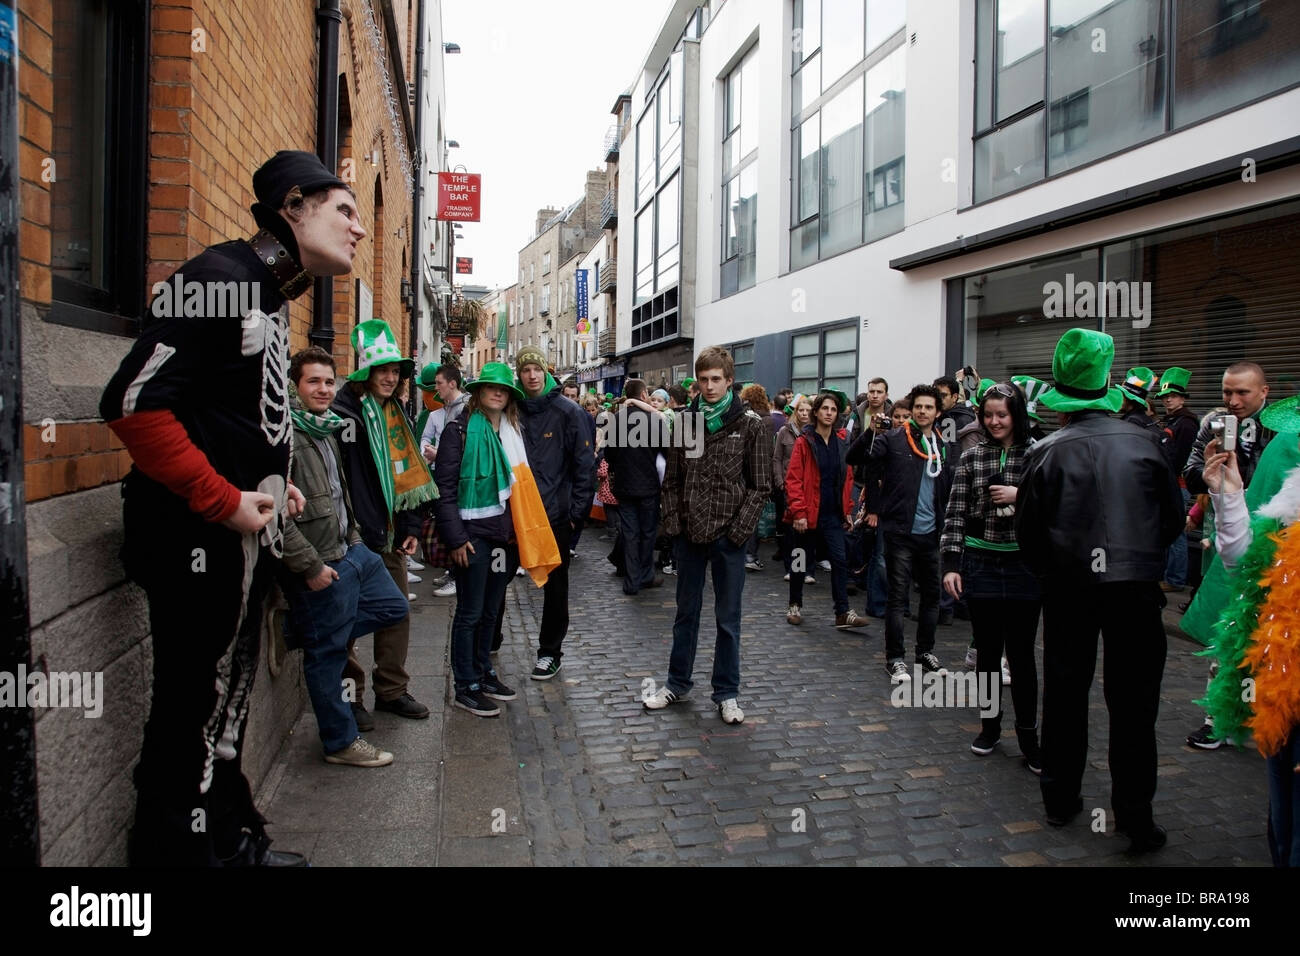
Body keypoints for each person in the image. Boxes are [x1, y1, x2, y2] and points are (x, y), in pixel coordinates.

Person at [100, 149, 365, 866]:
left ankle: (225, 835)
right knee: (191, 705)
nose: (358, 229)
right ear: (292, 206)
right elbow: (131, 404)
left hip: (236, 537)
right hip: (193, 537)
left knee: (225, 699)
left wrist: (275, 477)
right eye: (344, 209)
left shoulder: (270, 293)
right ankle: (177, 855)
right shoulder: (219, 278)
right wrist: (222, 497)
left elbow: (228, 412)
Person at [1015, 328, 1183, 850]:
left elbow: (1028, 534)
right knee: (1134, 705)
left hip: (1070, 590)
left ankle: (1061, 798)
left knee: (1065, 696)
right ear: (1106, 383)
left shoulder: (1045, 451)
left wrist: (1053, 577)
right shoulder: (1146, 442)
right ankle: (1135, 816)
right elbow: (1172, 522)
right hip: (1133, 588)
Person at [282, 347, 407, 767]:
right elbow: (274, 514)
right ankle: (340, 742)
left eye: (327, 381)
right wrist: (310, 566)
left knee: (394, 606)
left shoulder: (326, 428)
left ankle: (301, 630)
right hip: (319, 560)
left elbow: (340, 496)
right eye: (313, 381)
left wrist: (354, 538)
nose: (322, 389)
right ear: (294, 385)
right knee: (329, 654)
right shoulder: (283, 437)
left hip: (349, 549)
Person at [1195, 396, 1300, 866]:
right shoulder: (1290, 509)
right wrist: (1228, 493)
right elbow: (1247, 565)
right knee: (1284, 829)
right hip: (1287, 703)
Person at [644, 346, 771, 724]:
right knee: (686, 613)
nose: (710, 386)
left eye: (717, 379)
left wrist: (738, 533)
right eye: (704, 379)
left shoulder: (750, 424)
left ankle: (727, 693)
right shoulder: (687, 421)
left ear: (730, 381)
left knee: (727, 619)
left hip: (728, 537)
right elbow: (671, 479)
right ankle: (677, 683)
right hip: (690, 534)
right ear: (696, 382)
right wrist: (674, 524)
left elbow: (761, 486)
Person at [332, 319, 437, 723]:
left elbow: (406, 474)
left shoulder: (397, 416)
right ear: (366, 374)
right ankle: (351, 697)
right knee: (348, 619)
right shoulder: (345, 415)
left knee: (395, 612)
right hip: (351, 537)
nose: (391, 378)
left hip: (391, 535)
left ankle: (391, 691)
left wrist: (410, 529)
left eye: (396, 371)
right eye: (384, 370)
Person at [434, 362, 553, 717]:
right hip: (473, 537)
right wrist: (456, 538)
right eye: (490, 387)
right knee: (470, 612)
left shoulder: (513, 433)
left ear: (510, 396)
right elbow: (445, 488)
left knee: (491, 609)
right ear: (479, 392)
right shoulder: (459, 431)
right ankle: (465, 685)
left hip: (505, 537)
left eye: (503, 389)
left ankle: (484, 672)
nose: (497, 393)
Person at [941, 382, 1041, 770]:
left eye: (1003, 414)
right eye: (989, 415)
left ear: (1018, 414)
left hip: (1023, 566)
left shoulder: (1036, 456)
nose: (995, 421)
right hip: (981, 565)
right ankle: (989, 727)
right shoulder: (972, 458)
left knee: (1021, 656)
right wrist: (951, 563)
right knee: (986, 652)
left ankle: (1030, 737)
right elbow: (955, 513)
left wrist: (1021, 495)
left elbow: (1053, 508)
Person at [1180, 361, 1274, 748]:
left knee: (1267, 635)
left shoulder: (1281, 430)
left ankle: (1259, 712)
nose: (1233, 401)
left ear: (1264, 392)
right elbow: (1189, 471)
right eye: (1226, 392)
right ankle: (1218, 716)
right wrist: (1211, 471)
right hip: (1226, 537)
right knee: (1229, 628)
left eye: (1242, 393)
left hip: (1273, 542)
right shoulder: (1212, 424)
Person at [853, 385, 954, 683]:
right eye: (918, 407)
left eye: (928, 408)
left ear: (937, 412)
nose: (923, 412)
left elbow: (943, 487)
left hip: (931, 532)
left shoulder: (940, 443)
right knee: (898, 597)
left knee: (932, 596)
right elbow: (857, 459)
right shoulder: (894, 439)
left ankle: (925, 652)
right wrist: (870, 432)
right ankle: (895, 658)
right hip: (899, 530)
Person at [509, 346, 595, 679]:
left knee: (555, 588)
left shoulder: (567, 412)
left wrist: (576, 513)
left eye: (536, 369)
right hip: (516, 512)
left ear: (545, 371)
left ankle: (550, 651)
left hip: (555, 515)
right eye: (525, 369)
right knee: (498, 576)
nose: (531, 375)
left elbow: (584, 465)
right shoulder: (512, 409)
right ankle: (491, 640)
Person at [783, 392, 866, 628]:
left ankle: (842, 611)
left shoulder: (842, 441)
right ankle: (794, 604)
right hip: (807, 514)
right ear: (816, 412)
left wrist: (848, 509)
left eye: (833, 409)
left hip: (832, 514)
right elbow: (794, 478)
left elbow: (847, 477)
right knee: (799, 562)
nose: (829, 413)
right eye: (825, 409)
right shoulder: (804, 441)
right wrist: (798, 512)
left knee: (840, 561)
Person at [604, 379, 668, 595]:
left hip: (624, 485)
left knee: (630, 532)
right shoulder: (654, 420)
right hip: (649, 485)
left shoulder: (617, 419)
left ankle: (632, 581)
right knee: (648, 532)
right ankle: (645, 575)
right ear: (643, 395)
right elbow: (667, 452)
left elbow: (609, 455)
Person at [1155, 367, 1197, 592]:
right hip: (1168, 484)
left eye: (1172, 396)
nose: (1168, 400)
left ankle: (1175, 579)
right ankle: (1167, 575)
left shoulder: (1187, 423)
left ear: (1182, 397)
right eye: (1165, 397)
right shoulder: (1171, 421)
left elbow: (1180, 457)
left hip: (1178, 485)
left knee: (1177, 532)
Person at [774, 394, 814, 585]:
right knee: (790, 530)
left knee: (808, 531)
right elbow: (777, 458)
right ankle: (792, 567)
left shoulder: (814, 433)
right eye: (801, 410)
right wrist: (780, 481)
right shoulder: (785, 431)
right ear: (795, 412)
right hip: (788, 487)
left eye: (808, 410)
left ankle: (806, 569)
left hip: (808, 488)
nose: (804, 414)